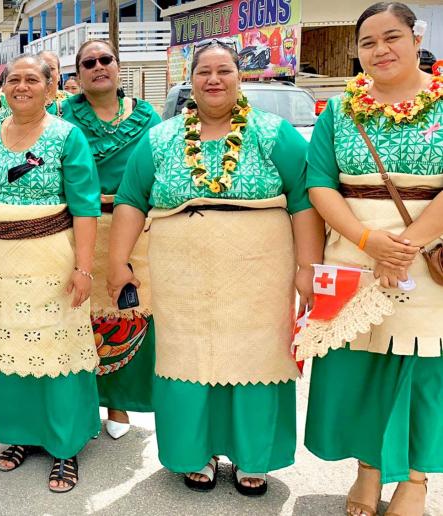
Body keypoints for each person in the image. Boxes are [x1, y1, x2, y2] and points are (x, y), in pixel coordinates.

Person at [109, 39, 324, 496]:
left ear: (239, 76)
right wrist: (118, 262)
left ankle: (254, 456)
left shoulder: (272, 132)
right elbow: (130, 199)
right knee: (188, 358)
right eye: (204, 71)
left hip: (259, 276)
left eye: (223, 70)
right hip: (181, 277)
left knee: (257, 357)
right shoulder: (162, 138)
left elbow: (305, 201)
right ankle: (195, 452)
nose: (213, 80)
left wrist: (308, 268)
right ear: (190, 80)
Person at [303, 4, 443, 516]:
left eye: (392, 37)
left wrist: (404, 246)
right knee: (358, 366)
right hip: (354, 252)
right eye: (367, 42)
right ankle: (367, 469)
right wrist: (368, 241)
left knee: (419, 369)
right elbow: (318, 182)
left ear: (415, 37)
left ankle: (415, 480)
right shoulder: (340, 111)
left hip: (429, 259)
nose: (380, 50)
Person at [0, 54, 101, 493]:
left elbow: (85, 207)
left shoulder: (66, 137)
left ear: (50, 86)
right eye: (13, 79)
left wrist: (83, 268)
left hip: (53, 259)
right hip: (1, 261)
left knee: (58, 343)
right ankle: (21, 434)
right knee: (12, 343)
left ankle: (65, 445)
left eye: (31, 79)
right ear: (2, 87)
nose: (22, 86)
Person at [60, 39, 161, 440]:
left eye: (106, 60)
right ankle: (82, 403)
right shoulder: (60, 115)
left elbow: (161, 167)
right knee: (78, 316)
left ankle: (119, 404)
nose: (99, 66)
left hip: (133, 229)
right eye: (89, 62)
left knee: (128, 310)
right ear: (78, 74)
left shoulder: (147, 116)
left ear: (119, 67)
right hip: (77, 229)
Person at [37, 51, 71, 116]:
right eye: (42, 68)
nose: (47, 73)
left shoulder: (73, 102)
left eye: (51, 68)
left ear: (58, 74)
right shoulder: (21, 102)